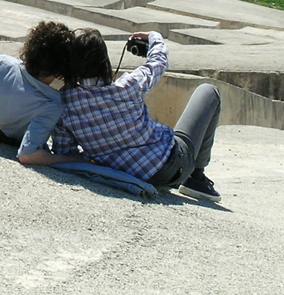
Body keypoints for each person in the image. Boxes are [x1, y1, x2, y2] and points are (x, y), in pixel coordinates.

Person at [50, 28, 223, 202]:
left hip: (122, 173)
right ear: (104, 61)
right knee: (208, 92)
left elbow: (66, 153)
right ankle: (196, 179)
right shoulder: (128, 87)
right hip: (169, 166)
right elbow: (159, 61)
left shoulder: (63, 104)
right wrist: (154, 37)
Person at [0, 21, 87, 167]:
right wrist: (74, 160)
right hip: (15, 141)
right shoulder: (53, 103)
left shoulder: (2, 63)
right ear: (63, 67)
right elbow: (27, 155)